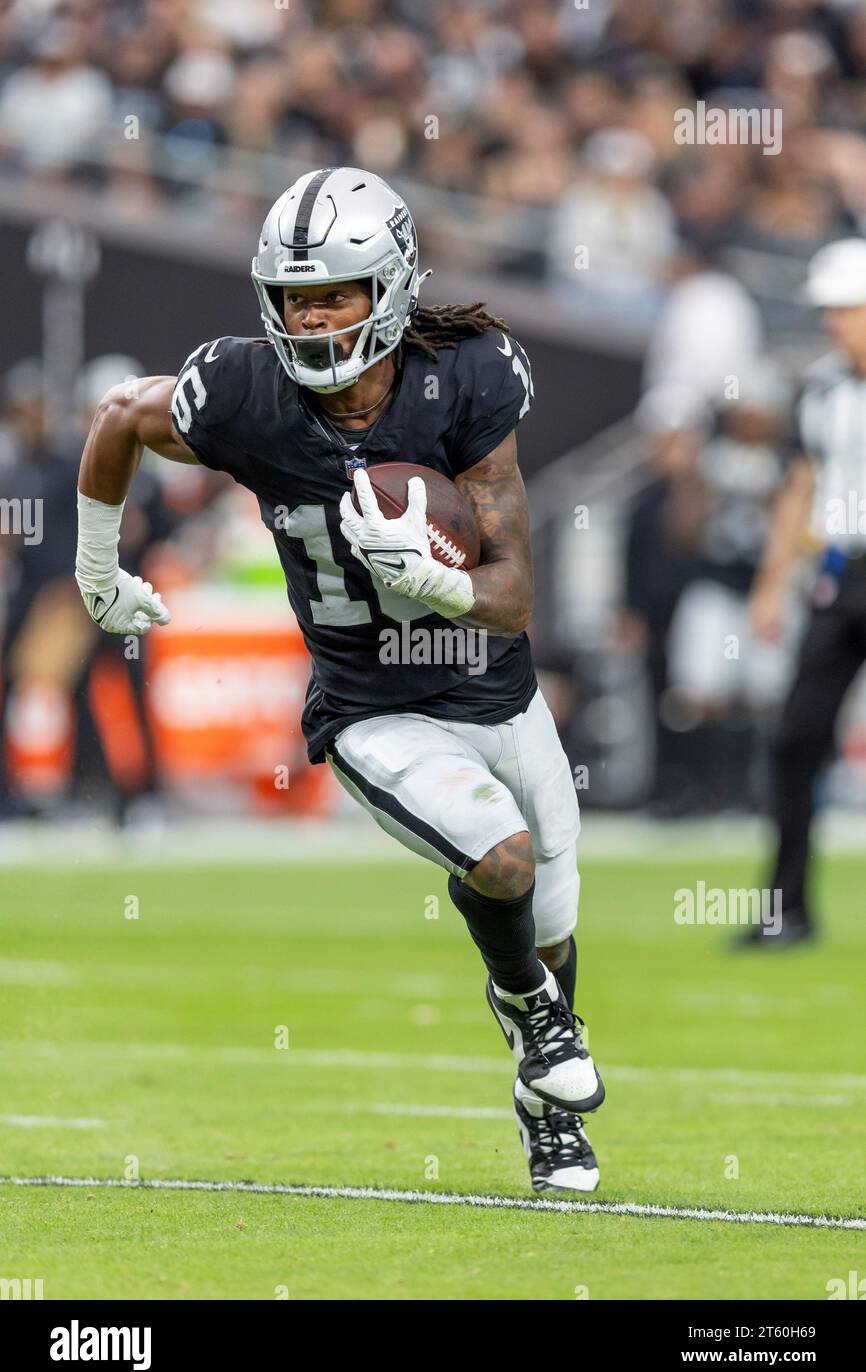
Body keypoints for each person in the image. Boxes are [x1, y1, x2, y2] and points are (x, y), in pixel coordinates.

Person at [73, 166, 604, 1195]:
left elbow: (514, 592)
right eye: (293, 296)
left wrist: (439, 583)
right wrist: (96, 569)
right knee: (499, 861)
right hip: (373, 708)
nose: (310, 318)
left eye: (333, 294)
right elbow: (117, 416)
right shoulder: (245, 393)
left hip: (495, 689)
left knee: (549, 919)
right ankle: (531, 1013)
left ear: (391, 287)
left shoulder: (465, 378)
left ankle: (546, 1112)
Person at [743, 238, 866, 946]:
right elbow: (800, 486)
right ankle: (787, 907)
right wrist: (770, 584)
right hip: (839, 574)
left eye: (845, 309)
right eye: (829, 311)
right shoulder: (821, 389)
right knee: (796, 739)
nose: (833, 323)